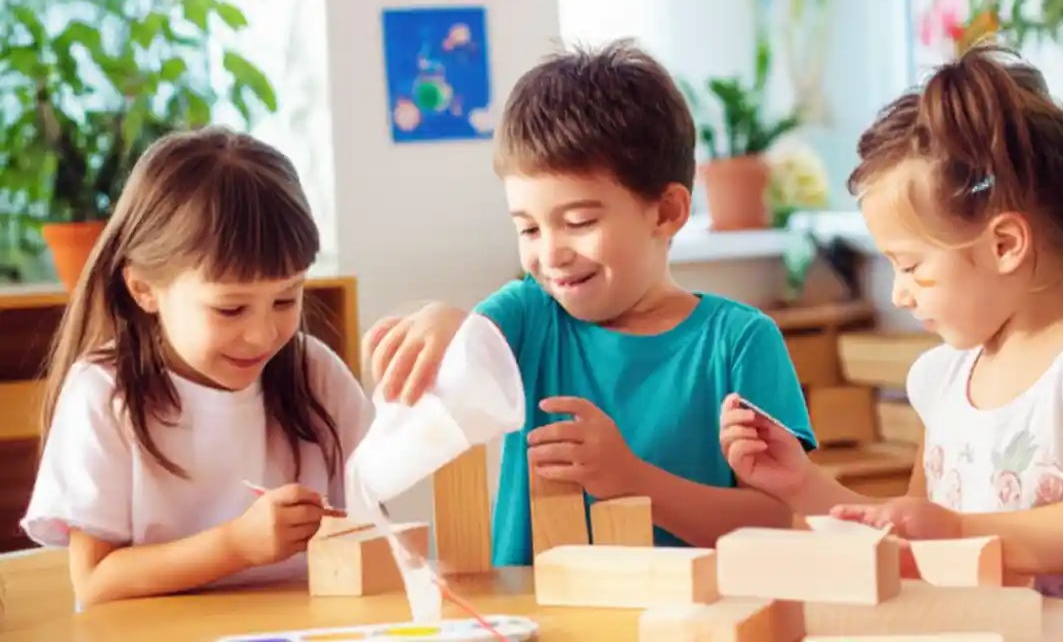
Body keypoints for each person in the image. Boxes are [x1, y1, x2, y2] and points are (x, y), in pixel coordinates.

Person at [720, 45, 1063, 626]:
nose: (898, 293)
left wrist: (962, 531)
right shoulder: (945, 377)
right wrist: (805, 485)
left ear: (1005, 245)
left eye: (912, 267)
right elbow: (915, 530)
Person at [364, 40, 815, 566]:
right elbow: (465, 348)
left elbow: (778, 520)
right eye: (528, 228)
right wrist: (442, 321)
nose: (550, 253)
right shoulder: (530, 315)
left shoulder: (739, 342)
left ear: (666, 212)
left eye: (579, 222)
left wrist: (633, 481)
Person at [21, 128, 371, 607]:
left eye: (287, 298)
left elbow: (378, 504)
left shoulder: (314, 373)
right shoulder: (104, 394)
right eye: (230, 309)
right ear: (144, 290)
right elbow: (96, 580)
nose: (263, 334)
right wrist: (238, 546)